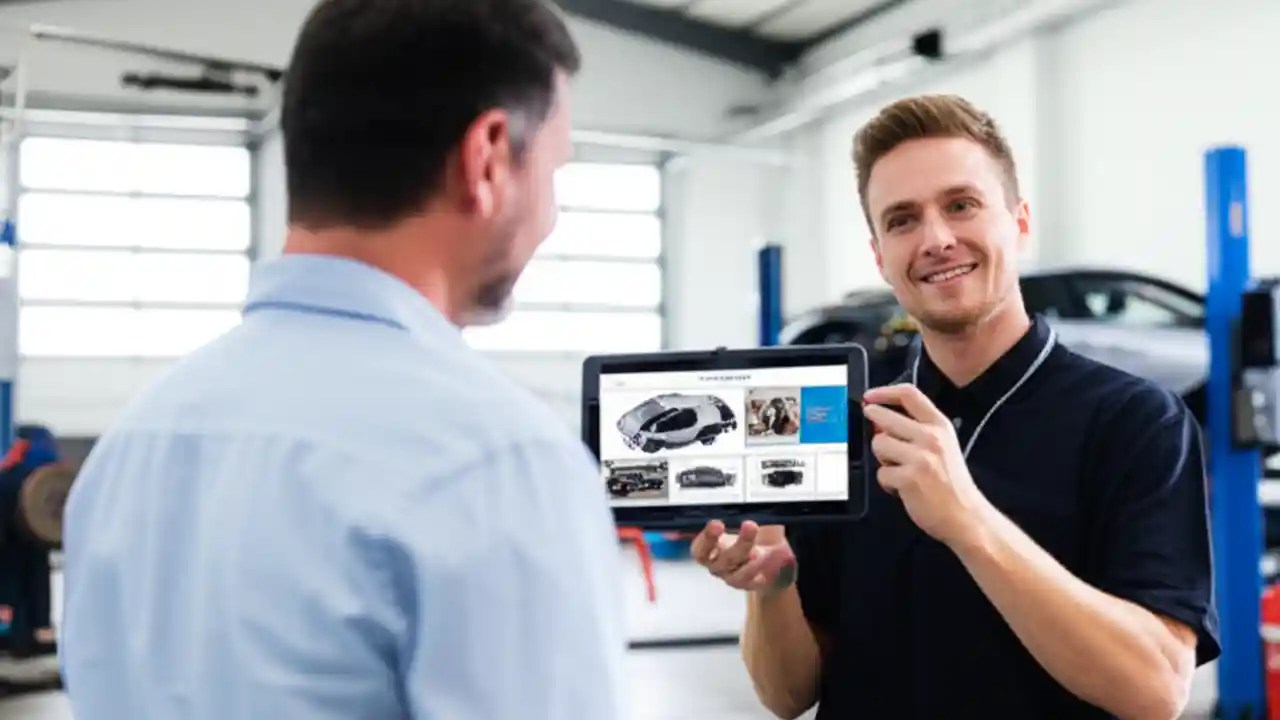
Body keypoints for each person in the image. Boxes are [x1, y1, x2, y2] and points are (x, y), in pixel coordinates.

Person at [59, 1, 628, 718]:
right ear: (486, 157)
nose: (551, 213)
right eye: (554, 168)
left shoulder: (132, 448)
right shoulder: (498, 464)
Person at [692, 94, 1218, 719]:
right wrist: (773, 586)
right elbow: (787, 696)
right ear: (879, 256)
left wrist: (966, 518)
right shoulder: (845, 427)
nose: (936, 239)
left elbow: (1155, 691)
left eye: (961, 205)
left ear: (1020, 223)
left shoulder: (1137, 423)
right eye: (902, 220)